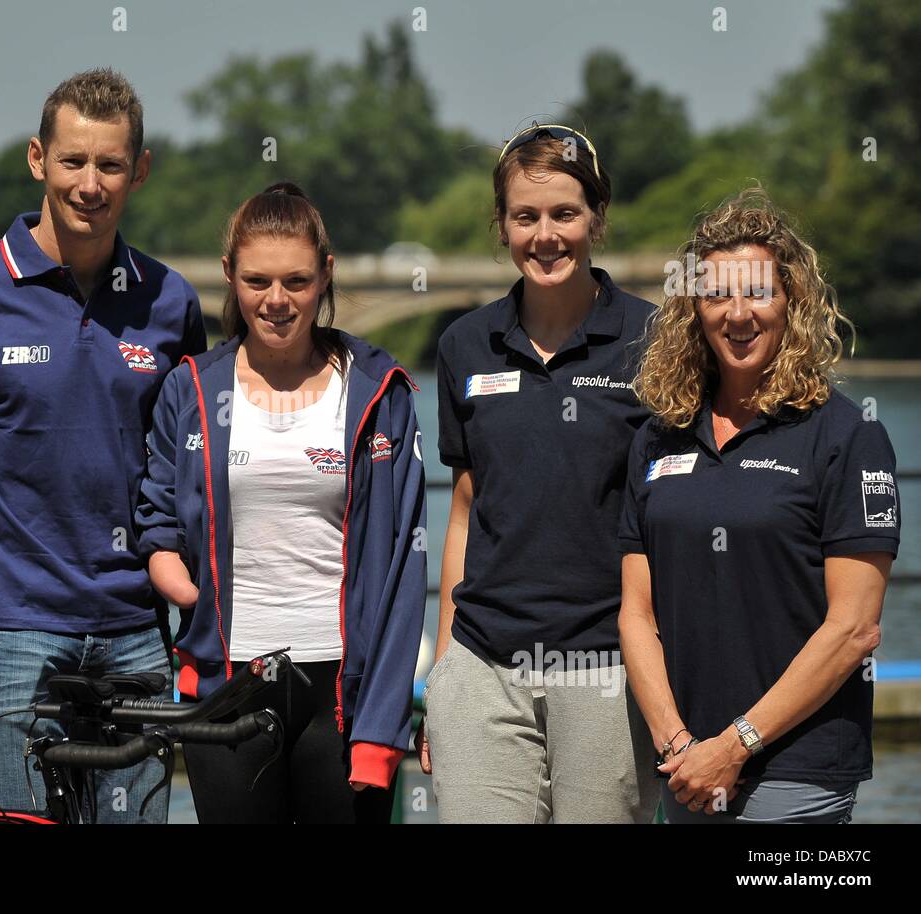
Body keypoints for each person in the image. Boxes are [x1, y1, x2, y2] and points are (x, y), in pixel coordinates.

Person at [0, 69, 206, 822]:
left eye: (109, 165)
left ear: (138, 170)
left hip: (135, 626)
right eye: (73, 161)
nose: (89, 184)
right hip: (9, 627)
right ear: (38, 158)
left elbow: (188, 459)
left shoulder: (171, 303)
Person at [135, 183, 426, 824]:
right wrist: (173, 577)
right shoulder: (189, 389)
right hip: (229, 686)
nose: (276, 301)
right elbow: (155, 512)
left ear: (326, 275)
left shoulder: (380, 392)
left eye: (296, 281)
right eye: (256, 280)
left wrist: (385, 725)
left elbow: (405, 564)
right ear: (229, 278)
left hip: (343, 690)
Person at [618, 188, 898, 823]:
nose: (737, 314)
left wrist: (735, 744)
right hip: (686, 770)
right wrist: (680, 744)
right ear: (694, 308)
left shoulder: (847, 437)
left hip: (795, 770)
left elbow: (853, 629)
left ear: (791, 303)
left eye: (758, 292)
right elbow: (636, 615)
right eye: (718, 294)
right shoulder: (657, 439)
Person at [420, 124, 660, 823]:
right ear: (502, 226)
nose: (545, 234)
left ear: (597, 218)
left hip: (608, 667)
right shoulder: (466, 345)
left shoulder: (655, 343)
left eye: (564, 213)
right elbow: (465, 508)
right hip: (483, 666)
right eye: (525, 216)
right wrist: (442, 671)